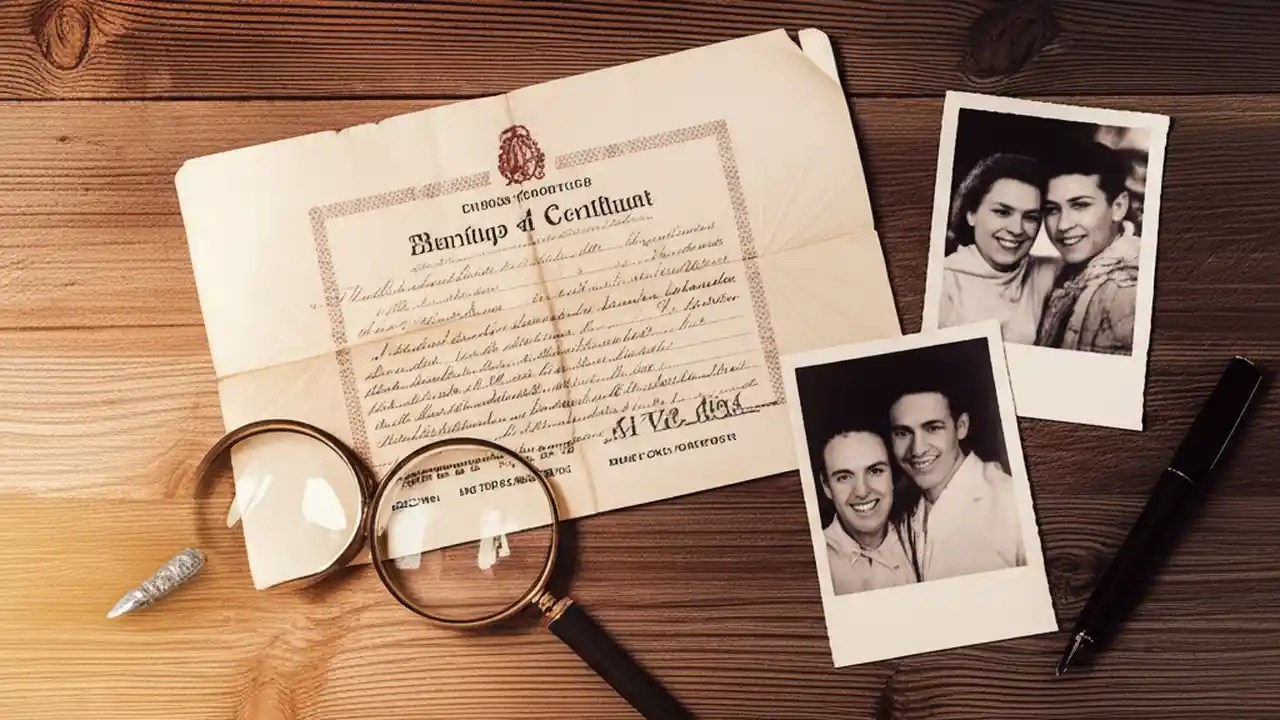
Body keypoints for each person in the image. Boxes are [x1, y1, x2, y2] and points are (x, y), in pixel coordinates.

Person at [887, 385, 1024, 582]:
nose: (917, 450)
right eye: (903, 433)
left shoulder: (1011, 500)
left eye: (932, 428)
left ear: (961, 427)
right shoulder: (898, 511)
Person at [938, 153, 1060, 344]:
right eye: (1002, 212)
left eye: (1030, 217)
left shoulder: (1048, 274)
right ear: (971, 214)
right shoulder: (944, 284)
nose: (1017, 229)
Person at [1034, 141, 1141, 354]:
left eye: (1080, 205)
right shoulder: (1065, 275)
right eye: (1052, 210)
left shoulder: (1126, 291)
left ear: (1118, 207)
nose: (1063, 225)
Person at [817, 425, 921, 594]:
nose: (862, 492)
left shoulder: (923, 540)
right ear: (827, 487)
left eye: (875, 471)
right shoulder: (818, 561)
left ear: (893, 478)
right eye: (844, 477)